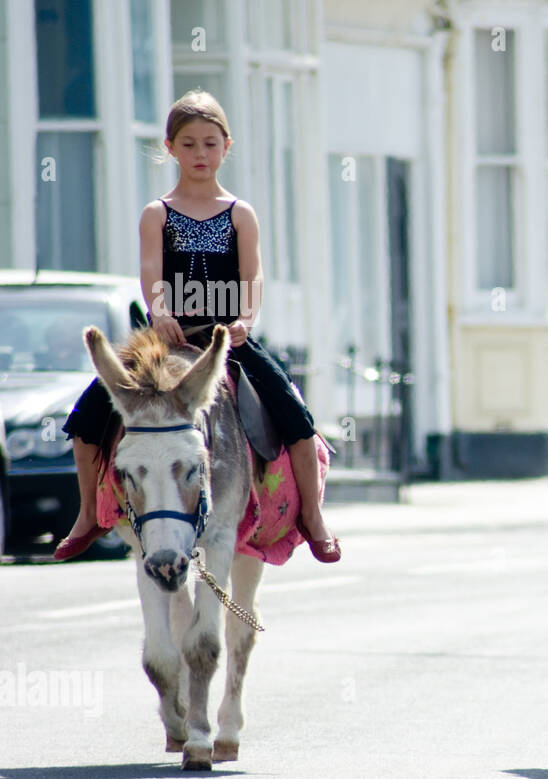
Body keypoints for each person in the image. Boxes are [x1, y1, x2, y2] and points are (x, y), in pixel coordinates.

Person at [55, 89, 341, 563]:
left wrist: (244, 321)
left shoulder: (240, 213)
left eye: (210, 143)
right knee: (85, 421)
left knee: (297, 417)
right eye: (188, 144)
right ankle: (88, 513)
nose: (200, 154)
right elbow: (151, 269)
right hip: (166, 339)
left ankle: (312, 515)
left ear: (226, 147)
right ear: (170, 148)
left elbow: (253, 274)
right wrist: (162, 312)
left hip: (227, 339)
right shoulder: (157, 214)